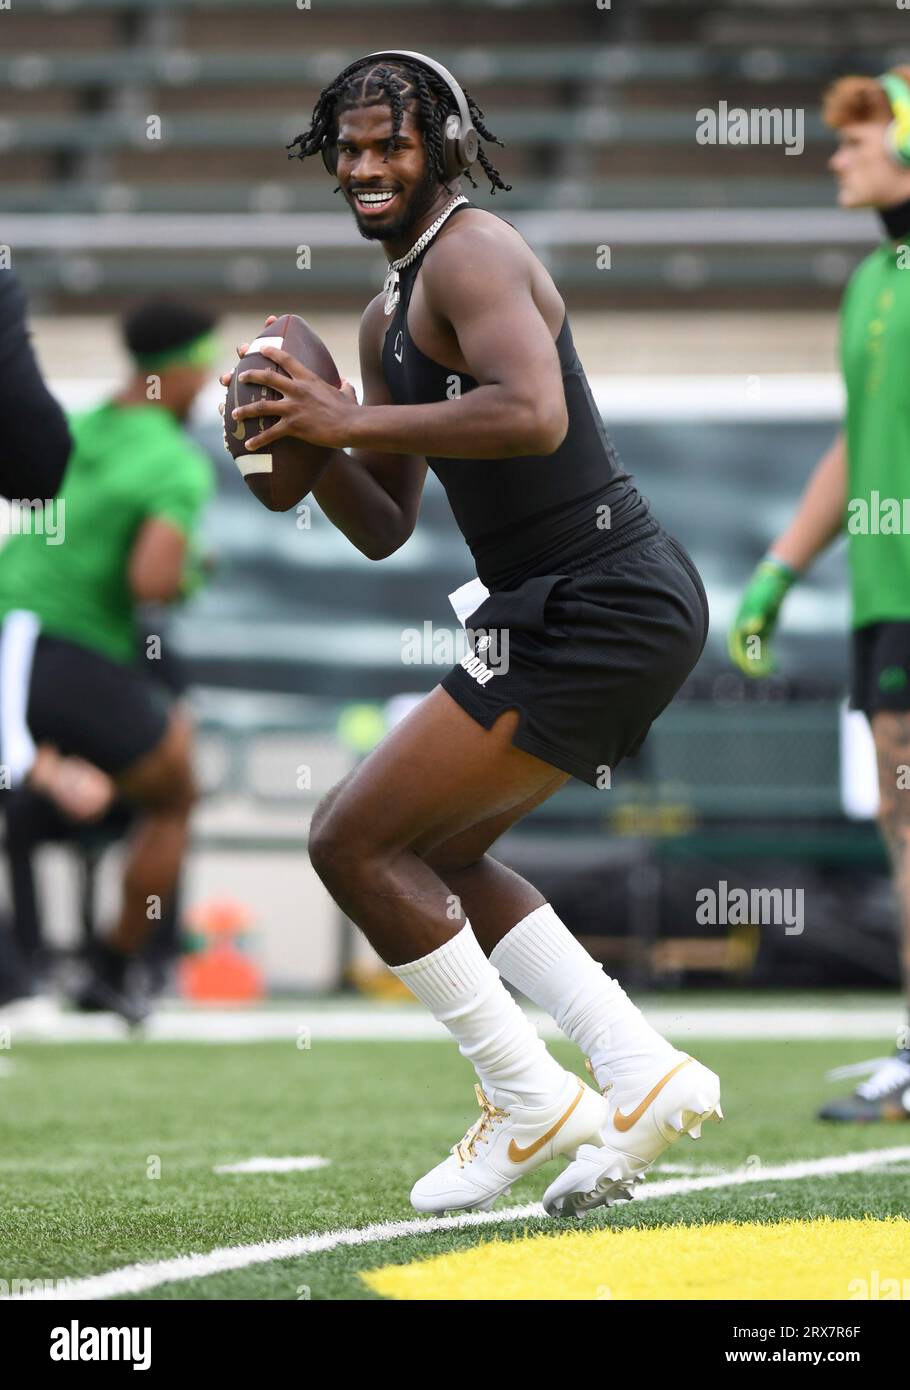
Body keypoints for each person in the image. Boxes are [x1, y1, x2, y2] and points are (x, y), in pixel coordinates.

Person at [227, 50, 721, 1216]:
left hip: (602, 592)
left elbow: (532, 409)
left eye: (389, 144)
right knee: (425, 850)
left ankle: (523, 1092)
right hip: (559, 606)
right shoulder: (384, 306)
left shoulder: (474, 250)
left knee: (350, 839)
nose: (364, 167)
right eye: (347, 149)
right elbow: (386, 524)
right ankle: (637, 1066)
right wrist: (294, 439)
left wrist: (346, 412)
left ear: (444, 145)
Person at [730, 69, 910, 1122]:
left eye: (856, 139)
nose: (835, 157)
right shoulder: (871, 280)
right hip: (884, 601)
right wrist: (776, 569)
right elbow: (860, 441)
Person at [0, 298, 218, 1023]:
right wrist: (193, 571)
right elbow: (151, 582)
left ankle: (73, 968)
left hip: (20, 634)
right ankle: (112, 968)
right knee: (174, 794)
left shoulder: (87, 423)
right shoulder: (174, 463)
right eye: (207, 363)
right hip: (52, 643)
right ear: (182, 368)